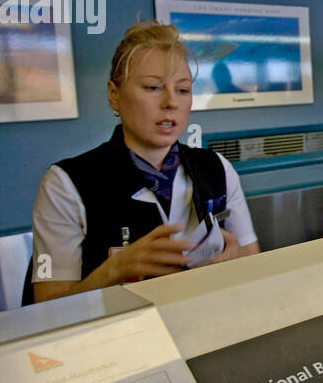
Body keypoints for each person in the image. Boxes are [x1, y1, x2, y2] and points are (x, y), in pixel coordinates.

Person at [30, 21, 259, 303]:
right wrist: (114, 271)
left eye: (183, 90)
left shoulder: (217, 168)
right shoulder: (66, 183)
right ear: (114, 95)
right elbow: (47, 306)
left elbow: (253, 259)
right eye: (153, 87)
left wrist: (236, 260)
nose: (171, 102)